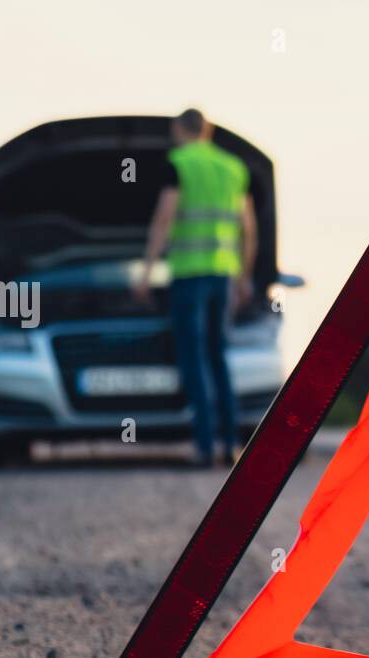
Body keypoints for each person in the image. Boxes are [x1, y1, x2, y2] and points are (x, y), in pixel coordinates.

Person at [133, 108, 256, 466]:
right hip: (223, 275)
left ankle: (204, 446)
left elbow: (164, 219)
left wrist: (146, 272)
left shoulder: (178, 163)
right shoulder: (234, 168)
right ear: (209, 130)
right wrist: (245, 277)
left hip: (188, 276)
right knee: (219, 358)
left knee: (194, 358)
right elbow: (249, 228)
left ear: (178, 129)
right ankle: (230, 444)